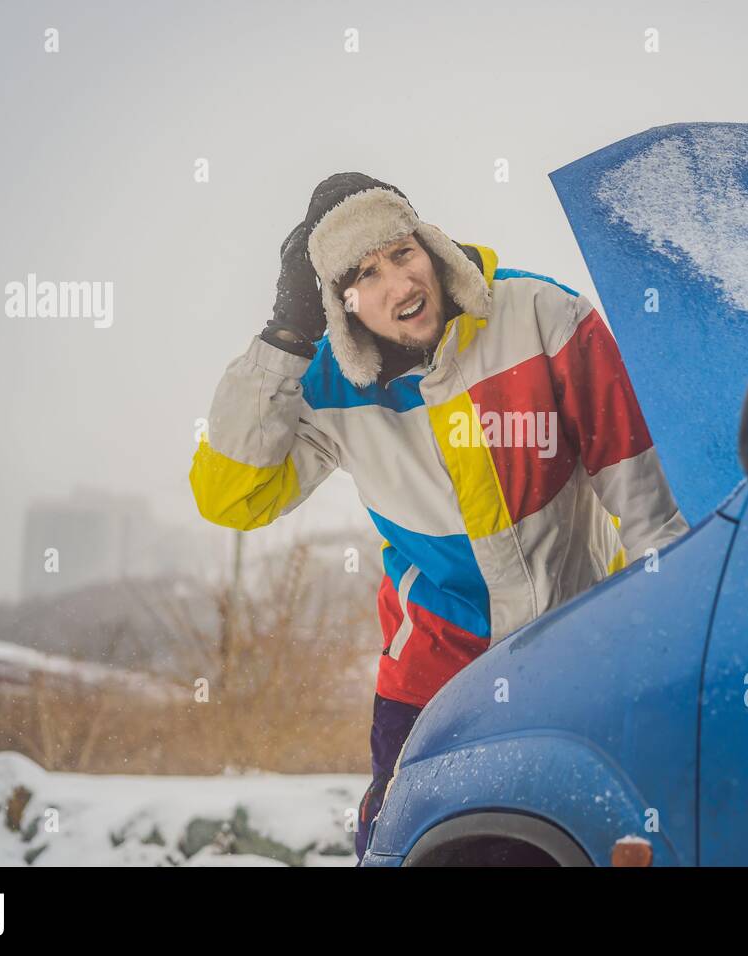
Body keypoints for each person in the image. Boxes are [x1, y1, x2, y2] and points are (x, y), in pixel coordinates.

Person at [189, 172, 690, 861]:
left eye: (402, 252)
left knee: (591, 848)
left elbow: (648, 510)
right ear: (341, 303)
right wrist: (285, 334)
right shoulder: (329, 377)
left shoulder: (542, 316)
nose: (398, 282)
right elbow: (230, 495)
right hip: (431, 679)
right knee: (410, 850)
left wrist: (668, 647)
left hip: (576, 651)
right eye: (365, 272)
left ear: (429, 245)